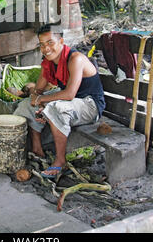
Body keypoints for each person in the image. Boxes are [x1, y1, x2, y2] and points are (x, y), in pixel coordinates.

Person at [14, 23, 105, 179]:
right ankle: (37, 146)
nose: (46, 48)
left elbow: (69, 94)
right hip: (71, 102)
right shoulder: (49, 63)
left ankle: (60, 160)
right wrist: (36, 99)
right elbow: (39, 90)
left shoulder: (76, 59)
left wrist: (41, 100)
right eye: (42, 45)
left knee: (56, 107)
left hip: (90, 105)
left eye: (50, 43)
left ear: (61, 42)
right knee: (25, 104)